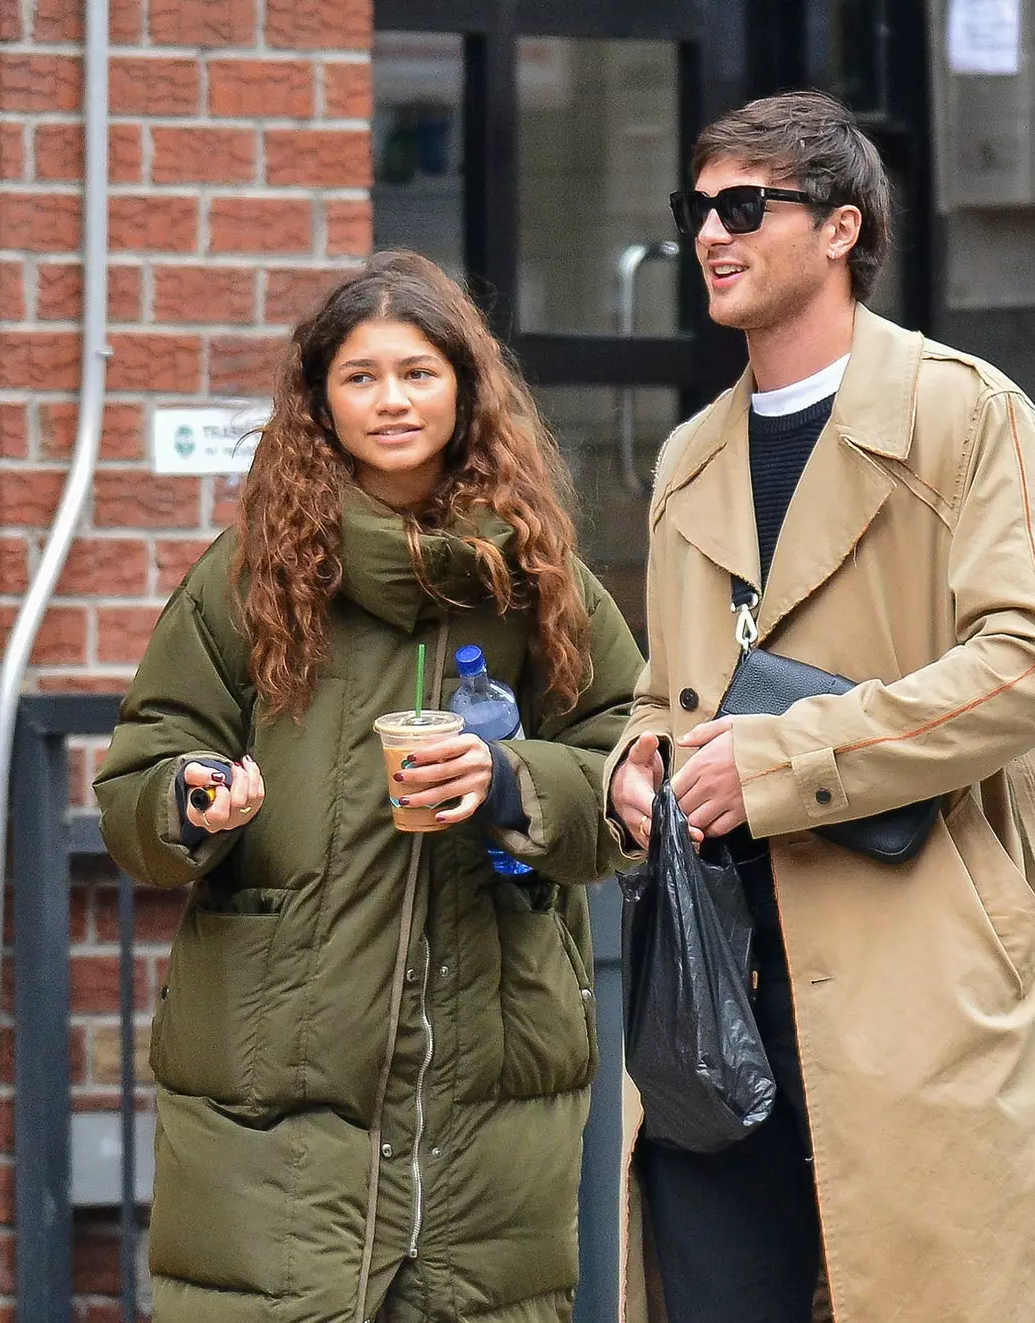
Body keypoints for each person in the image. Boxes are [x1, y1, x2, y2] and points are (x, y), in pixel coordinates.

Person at [605, 91, 1035, 1323]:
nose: (708, 234)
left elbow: (1033, 659)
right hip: (717, 978)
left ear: (842, 227)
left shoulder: (967, 414)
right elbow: (666, 688)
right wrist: (632, 767)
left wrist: (788, 759)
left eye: (743, 206)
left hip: (921, 963)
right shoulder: (692, 455)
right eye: (693, 209)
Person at [94, 252, 644, 1323]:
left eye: (417, 373)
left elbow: (627, 767)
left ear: (464, 390)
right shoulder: (250, 574)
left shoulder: (541, 581)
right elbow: (141, 780)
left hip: (490, 1061)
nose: (390, 400)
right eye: (359, 377)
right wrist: (192, 798)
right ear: (321, 404)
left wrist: (509, 778)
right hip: (276, 1070)